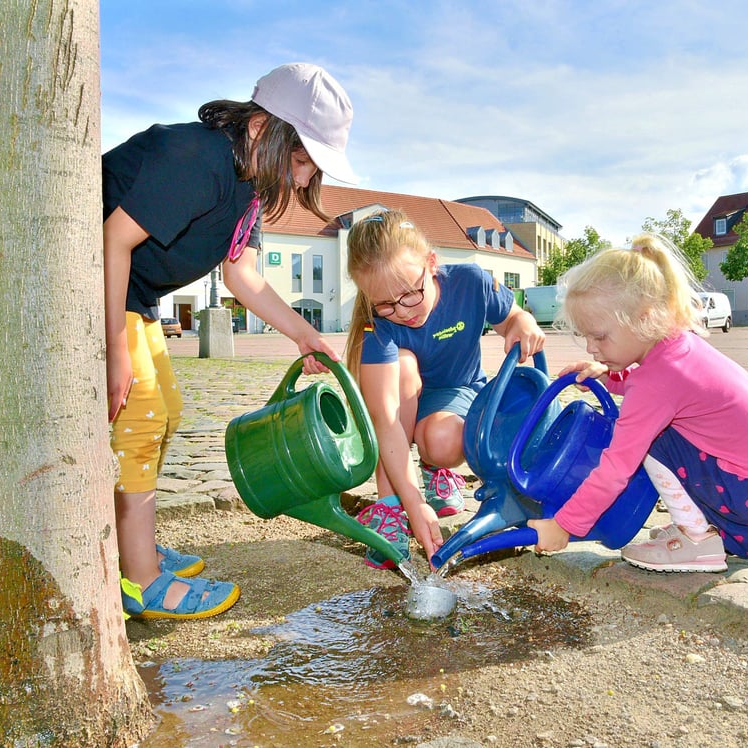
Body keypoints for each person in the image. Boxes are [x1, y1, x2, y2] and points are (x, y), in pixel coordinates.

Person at [104, 63, 358, 618]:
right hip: (99, 277)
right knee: (141, 414)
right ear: (263, 129)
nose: (299, 181)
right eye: (298, 162)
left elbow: (242, 275)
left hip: (136, 291)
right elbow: (112, 241)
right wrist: (114, 351)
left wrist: (304, 334)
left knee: (164, 411)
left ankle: (133, 546)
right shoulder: (198, 160)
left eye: (310, 171)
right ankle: (141, 581)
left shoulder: (251, 186)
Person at [528, 233, 748, 572]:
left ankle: (696, 540)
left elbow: (616, 466)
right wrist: (607, 377)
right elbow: (657, 391)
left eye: (599, 336)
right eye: (585, 336)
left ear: (644, 318)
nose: (590, 348)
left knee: (642, 438)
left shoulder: (656, 381)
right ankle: (700, 526)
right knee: (653, 427)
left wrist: (566, 525)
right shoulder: (675, 347)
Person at [343, 210, 545, 569]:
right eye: (386, 303)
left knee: (440, 441)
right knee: (403, 364)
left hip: (457, 393)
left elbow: (514, 316)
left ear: (431, 263)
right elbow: (386, 422)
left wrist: (524, 323)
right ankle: (388, 510)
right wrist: (411, 503)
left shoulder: (470, 282)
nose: (402, 312)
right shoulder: (377, 326)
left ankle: (436, 470)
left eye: (409, 294)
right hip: (402, 403)